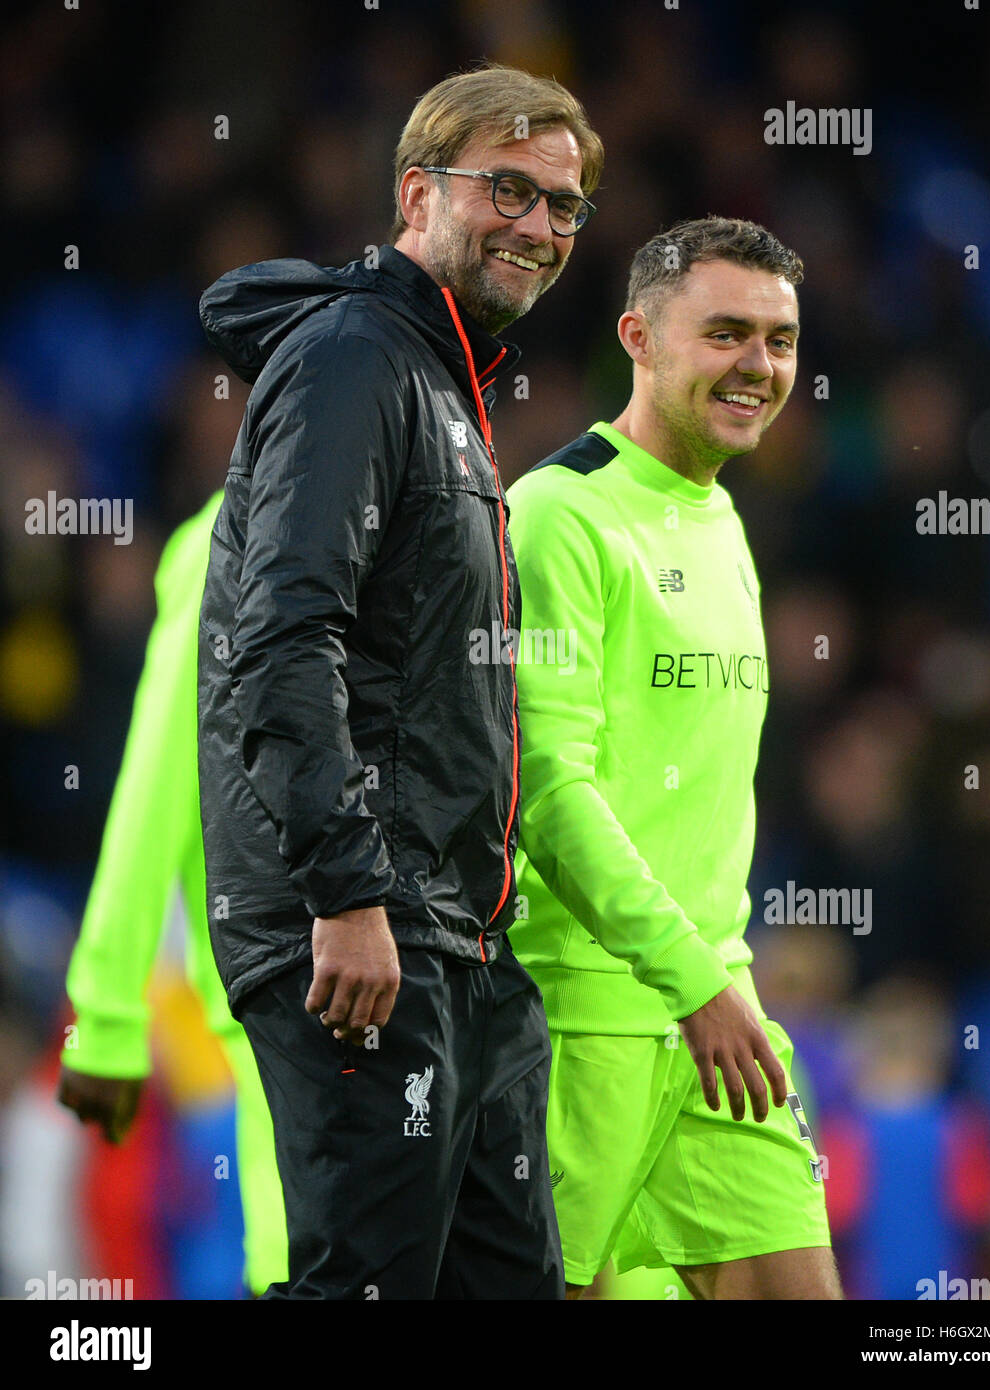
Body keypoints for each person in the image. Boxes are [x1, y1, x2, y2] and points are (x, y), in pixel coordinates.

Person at [196, 64, 604, 1300]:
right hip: (365, 934)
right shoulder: (352, 358)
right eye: (511, 191)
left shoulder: (440, 382)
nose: (539, 226)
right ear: (417, 191)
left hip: (454, 942)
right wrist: (348, 888)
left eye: (564, 207)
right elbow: (282, 639)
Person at [507, 217, 843, 1300]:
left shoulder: (723, 521)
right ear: (638, 338)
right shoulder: (554, 516)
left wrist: (710, 981)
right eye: (726, 334)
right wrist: (687, 979)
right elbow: (548, 788)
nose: (759, 366)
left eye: (780, 341)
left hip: (719, 1019)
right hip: (581, 1023)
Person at [57, 491, 288, 1296]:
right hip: (278, 1014)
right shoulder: (236, 534)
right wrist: (108, 1017)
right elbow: (158, 782)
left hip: (435, 998)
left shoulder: (446, 507)